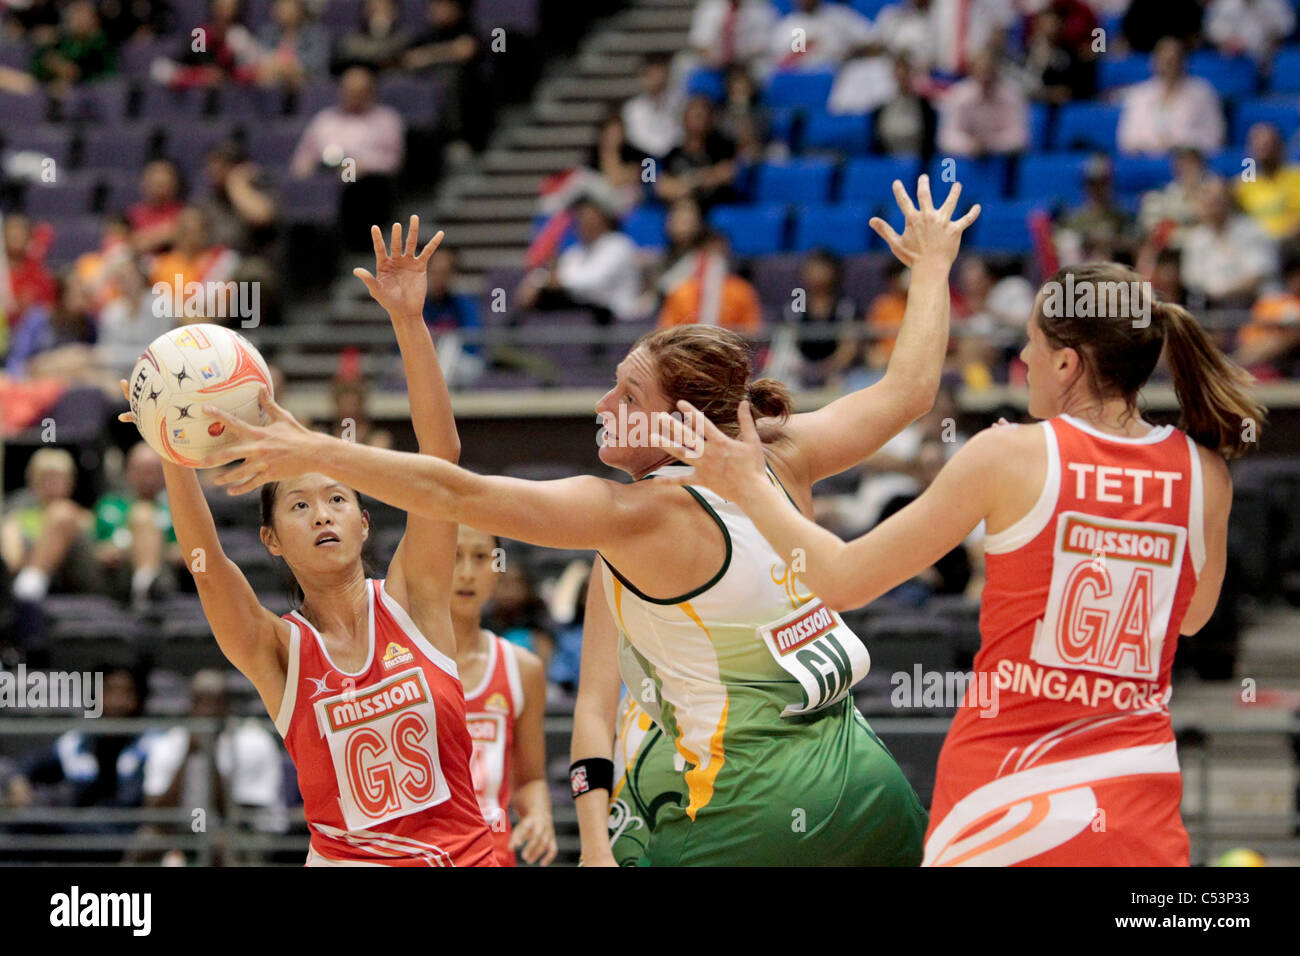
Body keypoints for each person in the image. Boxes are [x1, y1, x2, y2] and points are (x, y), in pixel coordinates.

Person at [195, 176, 982, 866]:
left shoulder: (635, 517)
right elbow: (910, 390)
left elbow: (460, 492)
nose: (603, 407)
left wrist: (311, 448)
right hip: (866, 786)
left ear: (676, 420)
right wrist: (935, 270)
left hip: (752, 814)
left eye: (627, 398)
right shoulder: (783, 449)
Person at [647, 261, 1261, 866]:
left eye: (1032, 343)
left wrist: (750, 483)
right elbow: (1191, 618)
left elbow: (843, 579)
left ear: (1068, 363)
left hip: (1004, 803)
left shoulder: (1007, 456)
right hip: (1136, 803)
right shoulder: (1203, 472)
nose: (1022, 356)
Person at [118, 218, 496, 866]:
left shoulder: (416, 598)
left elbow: (442, 458)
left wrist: (408, 320)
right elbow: (207, 568)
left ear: (364, 522)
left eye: (337, 498)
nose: (322, 514)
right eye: (299, 504)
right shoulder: (278, 650)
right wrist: (173, 451)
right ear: (270, 539)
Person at [450, 525, 556, 866]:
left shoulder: (523, 668)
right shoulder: (399, 661)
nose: (467, 573)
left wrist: (538, 815)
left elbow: (531, 779)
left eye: (481, 557)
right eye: (454, 557)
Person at [1117, 38, 1224, 156]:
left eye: (1173, 60)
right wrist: (1154, 145)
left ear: (1184, 61)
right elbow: (1127, 140)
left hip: (1188, 162)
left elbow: (1214, 137)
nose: (1168, 66)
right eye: (1164, 60)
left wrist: (1178, 145)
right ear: (1154, 62)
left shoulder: (1203, 92)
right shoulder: (1139, 94)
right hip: (1146, 163)